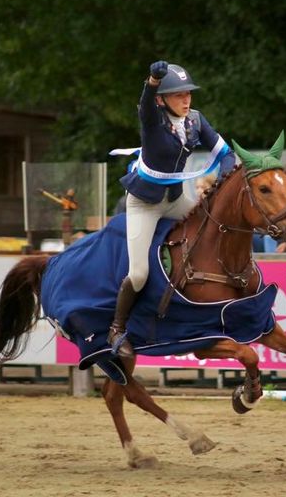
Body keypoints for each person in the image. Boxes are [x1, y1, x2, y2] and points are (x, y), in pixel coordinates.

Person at [109, 60, 235, 357]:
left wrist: (222, 180)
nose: (186, 99)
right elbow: (144, 106)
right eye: (178, 95)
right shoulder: (152, 120)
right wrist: (152, 80)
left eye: (188, 93)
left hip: (176, 198)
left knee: (212, 230)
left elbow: (225, 154)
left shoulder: (196, 120)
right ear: (161, 100)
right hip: (145, 204)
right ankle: (116, 328)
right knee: (138, 274)